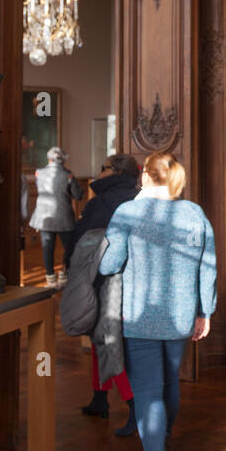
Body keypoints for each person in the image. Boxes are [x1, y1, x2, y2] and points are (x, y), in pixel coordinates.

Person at [100, 152, 217, 451]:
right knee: (170, 383)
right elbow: (207, 267)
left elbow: (109, 264)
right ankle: (159, 442)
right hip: (181, 315)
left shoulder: (128, 213)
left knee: (148, 391)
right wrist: (204, 312)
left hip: (140, 316)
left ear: (147, 178)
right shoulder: (194, 214)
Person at [71, 154, 140, 434]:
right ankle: (99, 398)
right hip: (132, 281)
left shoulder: (102, 203)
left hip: (105, 281)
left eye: (104, 167)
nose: (99, 172)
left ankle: (135, 408)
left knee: (110, 343)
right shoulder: (139, 199)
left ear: (115, 172)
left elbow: (83, 242)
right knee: (104, 340)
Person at [29, 146, 84, 287]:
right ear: (63, 161)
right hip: (64, 217)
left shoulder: (38, 173)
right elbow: (78, 195)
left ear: (49, 159)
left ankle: (50, 279)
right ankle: (64, 275)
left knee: (47, 247)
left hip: (44, 216)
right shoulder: (68, 175)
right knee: (68, 247)